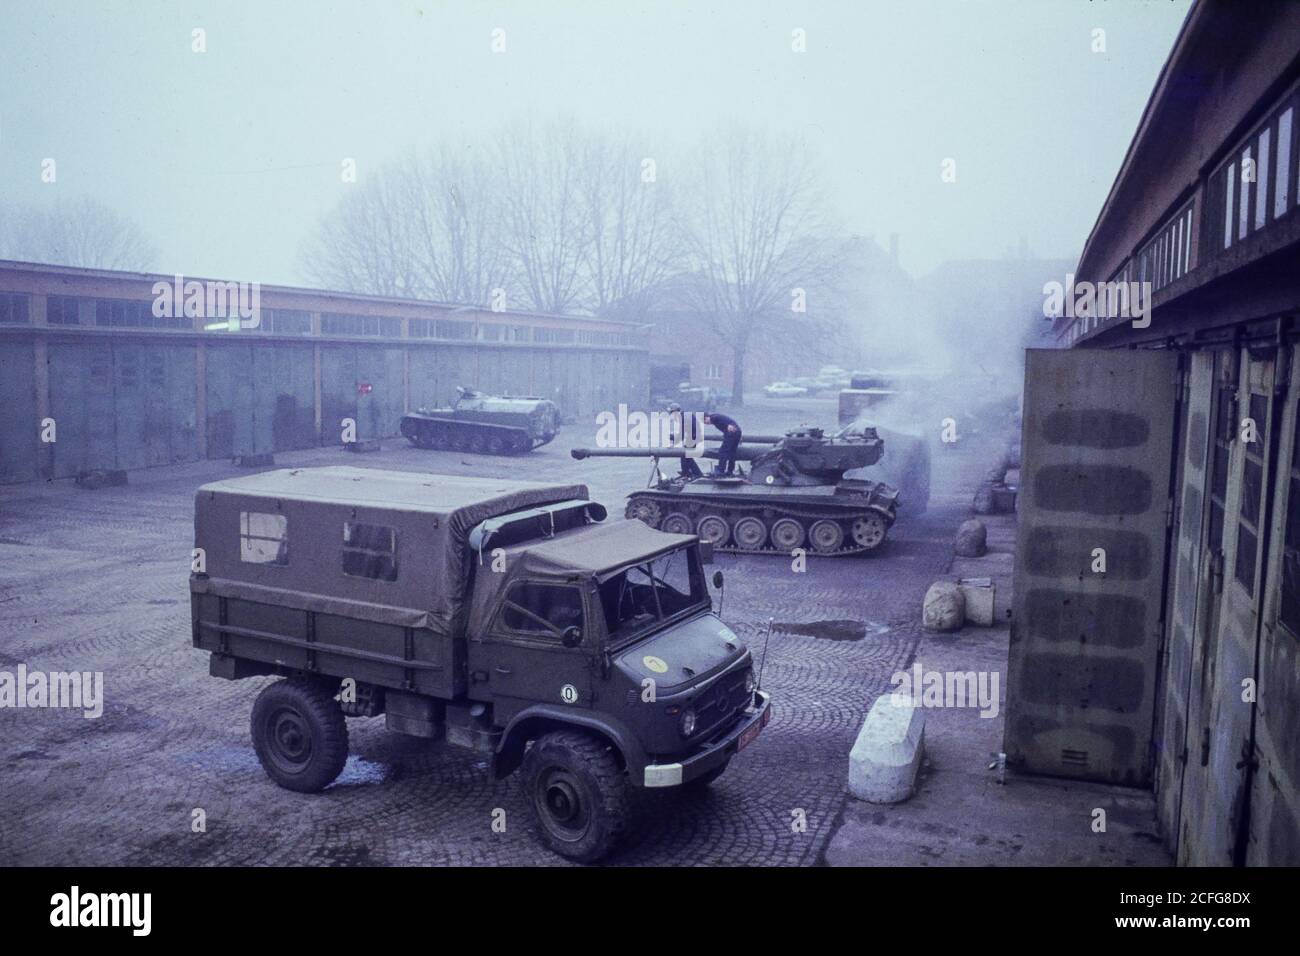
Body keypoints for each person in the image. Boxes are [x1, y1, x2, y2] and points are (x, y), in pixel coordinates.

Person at [703, 411, 742, 476]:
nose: (706, 424)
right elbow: (728, 423)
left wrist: (728, 426)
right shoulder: (715, 417)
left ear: (706, 417)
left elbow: (726, 424)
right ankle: (730, 471)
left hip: (731, 433)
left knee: (723, 452)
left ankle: (721, 471)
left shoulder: (714, 418)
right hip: (737, 432)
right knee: (732, 453)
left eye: (704, 421)